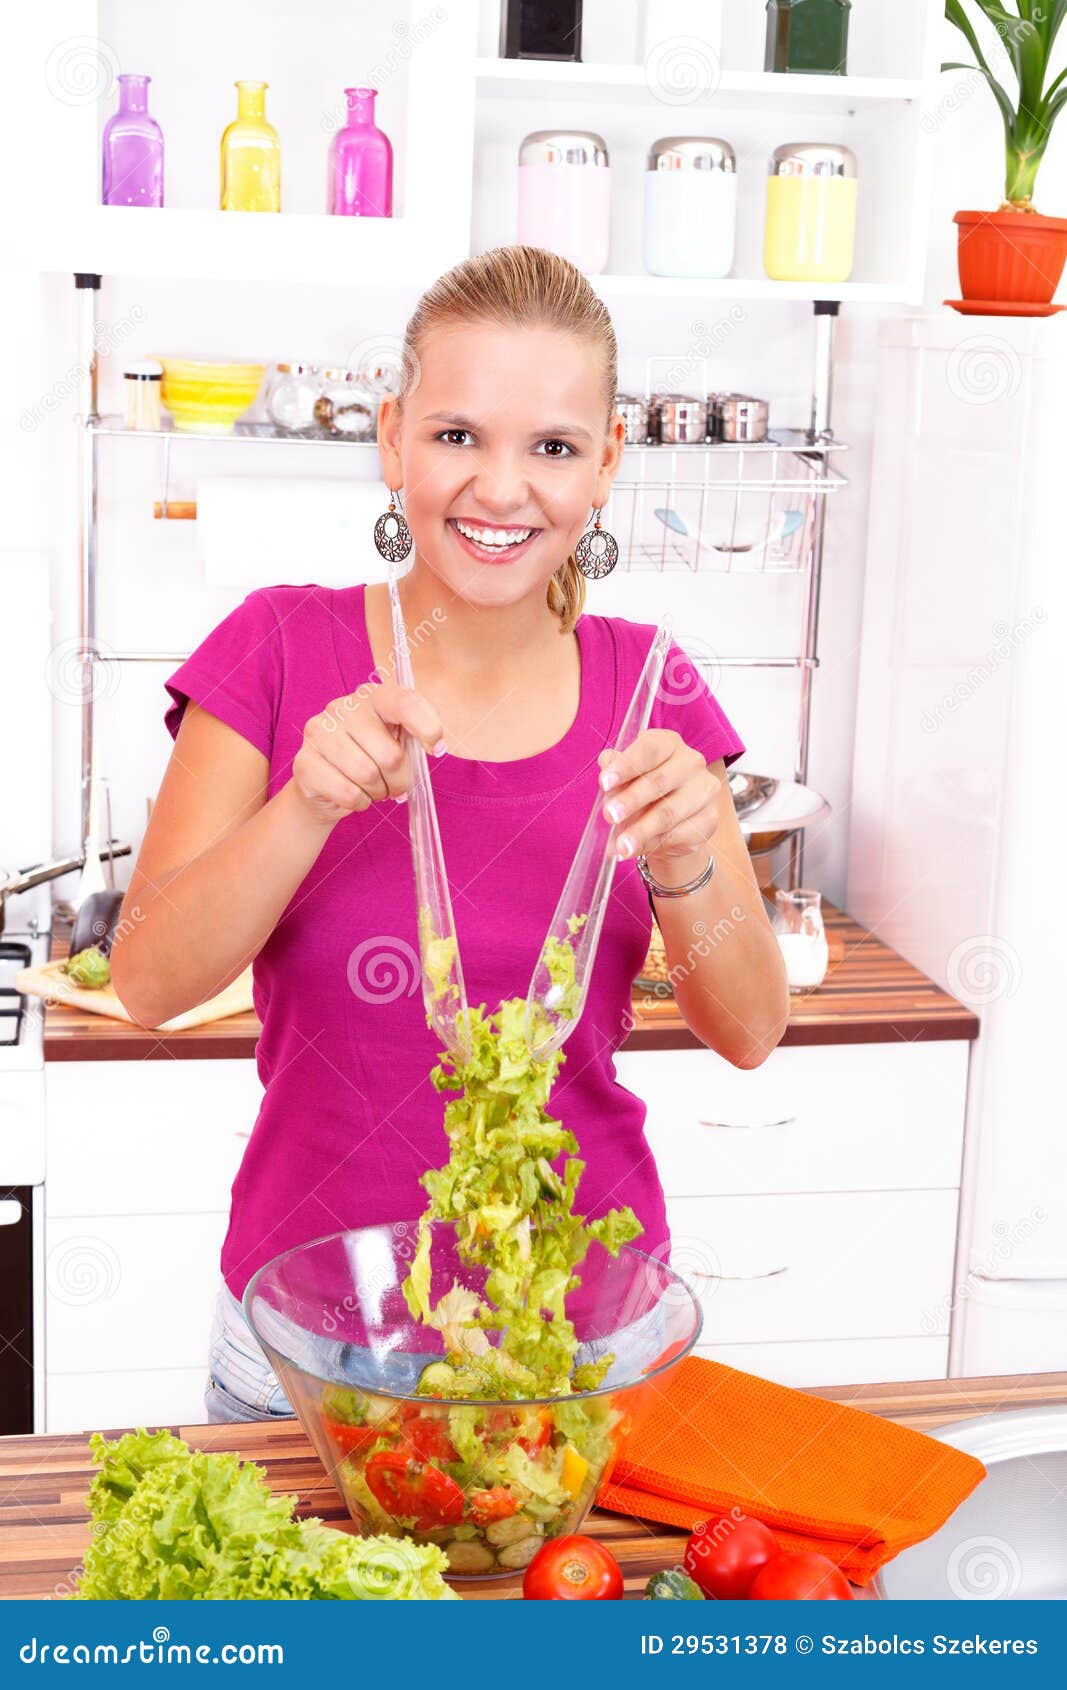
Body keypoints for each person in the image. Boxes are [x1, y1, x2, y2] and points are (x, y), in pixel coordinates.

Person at [111, 245, 789, 1423]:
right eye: (457, 435)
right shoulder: (276, 652)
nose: (499, 488)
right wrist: (305, 805)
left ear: (605, 467)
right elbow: (149, 982)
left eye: (552, 448)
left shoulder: (650, 691)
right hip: (314, 1347)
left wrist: (689, 865)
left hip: (581, 1347)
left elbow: (747, 1027)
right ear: (391, 438)